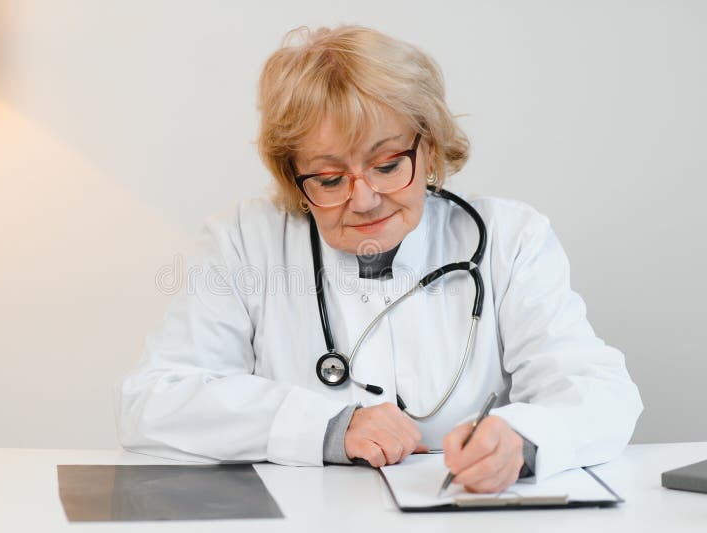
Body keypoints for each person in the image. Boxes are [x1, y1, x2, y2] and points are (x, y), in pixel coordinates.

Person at [116, 25, 642, 493]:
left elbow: (598, 390)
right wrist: (328, 427)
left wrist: (523, 440)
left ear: (430, 149)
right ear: (292, 177)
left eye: (389, 165)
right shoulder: (244, 240)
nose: (363, 198)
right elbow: (153, 402)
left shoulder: (511, 236)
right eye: (328, 179)